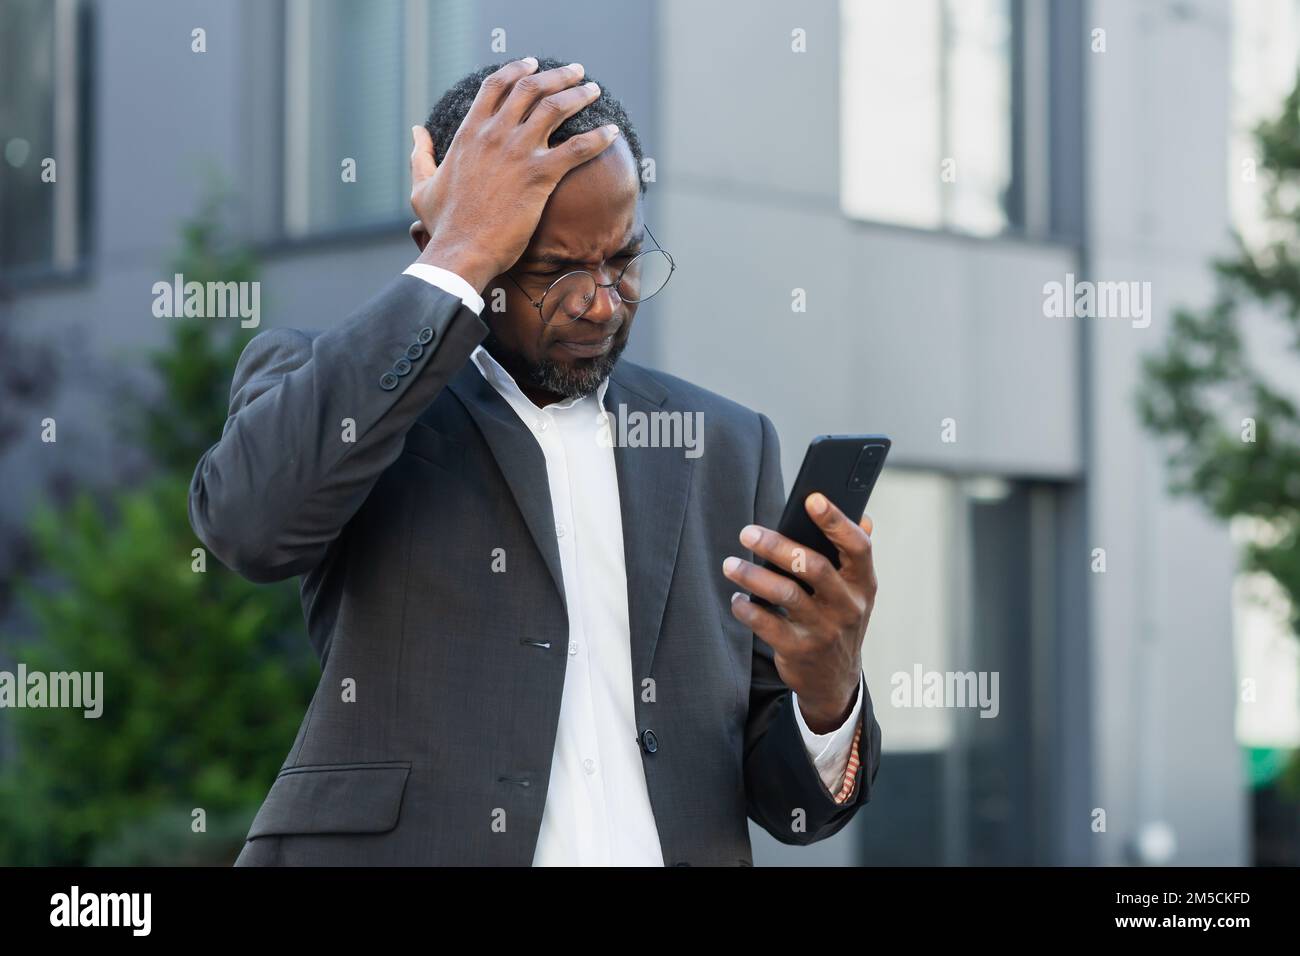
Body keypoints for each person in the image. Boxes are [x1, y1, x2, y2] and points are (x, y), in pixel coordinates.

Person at [189, 56, 882, 866]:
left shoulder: (724, 444)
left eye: (622, 261)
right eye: (553, 273)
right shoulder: (349, 395)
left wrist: (829, 690)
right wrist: (456, 256)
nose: (598, 301)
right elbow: (246, 526)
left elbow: (791, 809)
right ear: (456, 243)